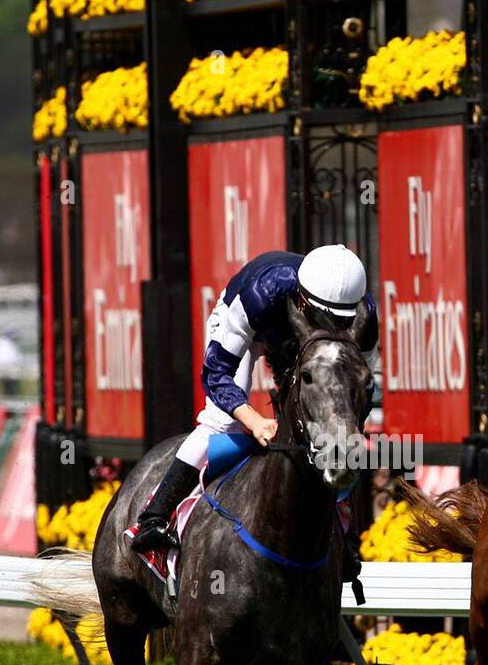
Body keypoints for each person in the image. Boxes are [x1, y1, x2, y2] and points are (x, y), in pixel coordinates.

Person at [130, 245, 378, 573]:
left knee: (337, 435)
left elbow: (360, 389)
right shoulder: (264, 293)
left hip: (303, 346)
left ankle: (342, 535)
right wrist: (253, 421)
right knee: (221, 422)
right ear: (302, 301)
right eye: (323, 318)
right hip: (254, 330)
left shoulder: (366, 316)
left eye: (340, 322)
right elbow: (215, 372)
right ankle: (153, 520)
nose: (331, 326)